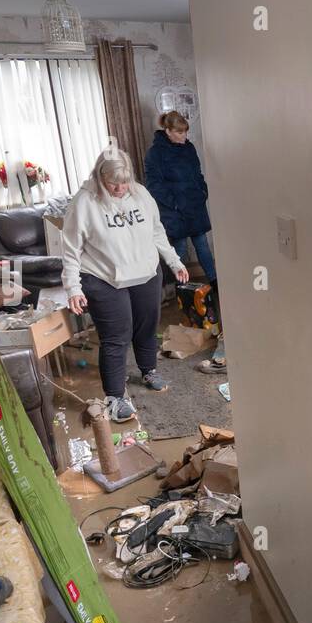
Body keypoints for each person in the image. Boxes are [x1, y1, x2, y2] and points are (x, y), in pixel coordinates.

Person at [62, 147, 189, 421]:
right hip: (103, 276)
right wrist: (73, 287)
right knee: (116, 336)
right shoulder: (84, 202)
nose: (120, 188)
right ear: (100, 177)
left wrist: (175, 262)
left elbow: (157, 231)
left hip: (144, 272)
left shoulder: (141, 194)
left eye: (125, 181)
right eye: (113, 183)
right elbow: (71, 248)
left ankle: (148, 370)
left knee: (146, 326)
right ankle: (115, 398)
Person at [144, 111, 225, 374]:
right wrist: (175, 203)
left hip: (194, 205)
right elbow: (153, 185)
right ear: (167, 130)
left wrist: (203, 191)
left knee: (203, 248)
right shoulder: (156, 153)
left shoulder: (189, 148)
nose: (183, 136)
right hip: (175, 210)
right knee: (178, 253)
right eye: (179, 132)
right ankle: (183, 295)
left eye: (185, 131)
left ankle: (215, 289)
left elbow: (198, 173)